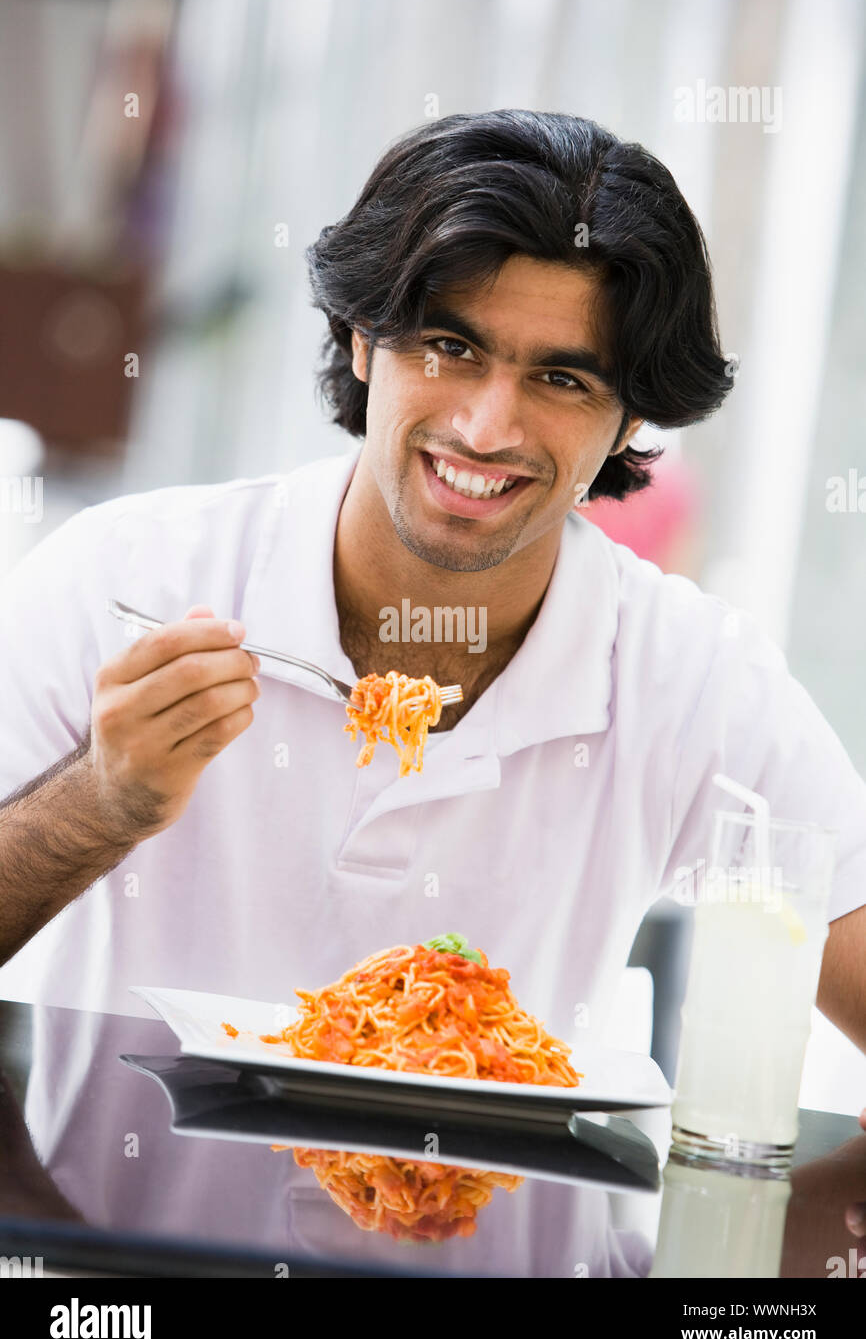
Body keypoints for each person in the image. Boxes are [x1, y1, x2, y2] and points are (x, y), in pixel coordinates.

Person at [1, 109, 865, 1088]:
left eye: (559, 377)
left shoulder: (689, 678)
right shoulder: (124, 580)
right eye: (448, 347)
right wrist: (101, 802)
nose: (484, 426)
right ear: (363, 340)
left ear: (628, 424)